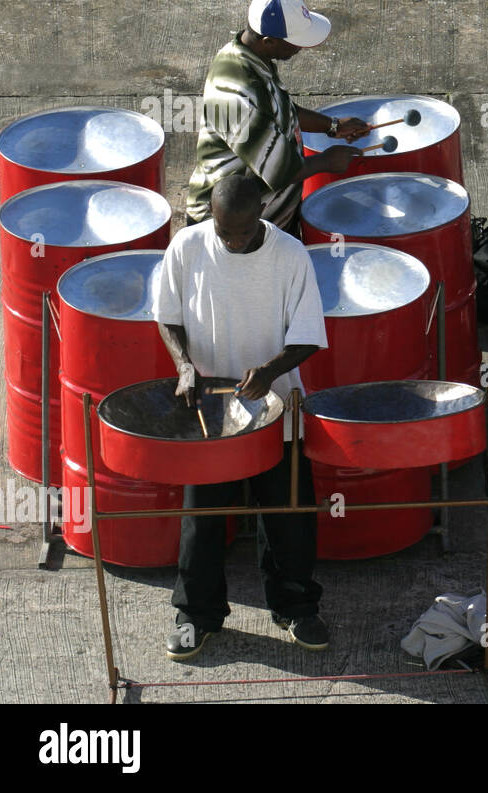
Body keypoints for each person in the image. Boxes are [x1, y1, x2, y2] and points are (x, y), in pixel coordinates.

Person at [154, 175, 329, 660]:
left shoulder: (291, 255)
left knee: (288, 516)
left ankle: (296, 607)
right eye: (222, 230)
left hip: (279, 408)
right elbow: (167, 314)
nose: (230, 240)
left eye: (240, 232)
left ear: (262, 215)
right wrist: (185, 366)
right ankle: (196, 614)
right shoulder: (188, 246)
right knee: (202, 520)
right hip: (212, 416)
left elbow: (310, 333)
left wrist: (271, 370)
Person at [185, 0, 373, 235]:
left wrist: (333, 126)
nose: (301, 48)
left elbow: (279, 110)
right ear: (269, 41)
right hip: (232, 228)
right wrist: (327, 161)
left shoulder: (249, 58)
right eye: (295, 43)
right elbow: (279, 170)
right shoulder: (236, 95)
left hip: (267, 215)